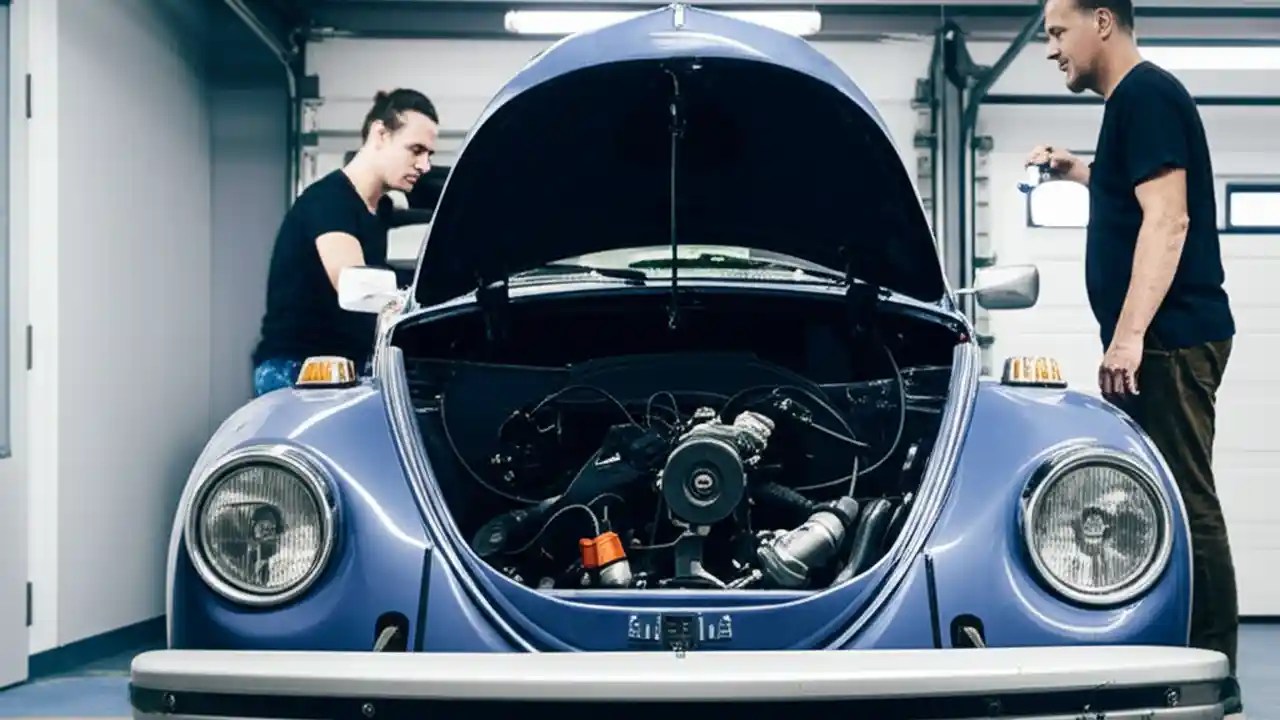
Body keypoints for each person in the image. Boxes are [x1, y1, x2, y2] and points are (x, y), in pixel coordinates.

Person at [1025, 0, 1241, 713]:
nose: (1052, 48)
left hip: (1172, 337)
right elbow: (1134, 192)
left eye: (1059, 31)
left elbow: (1168, 216)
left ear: (1103, 22)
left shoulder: (1144, 93)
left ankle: (1209, 664)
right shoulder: (1132, 105)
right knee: (1170, 500)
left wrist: (1129, 334)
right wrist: (1080, 171)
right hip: (1168, 335)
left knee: (1186, 502)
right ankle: (1179, 644)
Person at [251, 88, 439, 396]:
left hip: (343, 364)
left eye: (428, 154)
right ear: (380, 134)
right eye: (415, 150)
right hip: (296, 369)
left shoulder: (378, 209)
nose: (424, 165)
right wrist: (429, 288)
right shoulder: (330, 201)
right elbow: (355, 286)